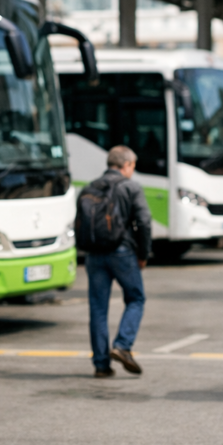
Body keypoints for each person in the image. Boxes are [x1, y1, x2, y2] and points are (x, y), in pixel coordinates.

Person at [78, 145, 152, 378]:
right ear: (126, 165)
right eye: (133, 166)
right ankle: (122, 345)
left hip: (94, 255)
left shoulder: (89, 187)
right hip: (122, 252)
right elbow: (145, 222)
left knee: (98, 308)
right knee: (136, 298)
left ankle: (101, 365)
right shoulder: (130, 187)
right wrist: (144, 254)